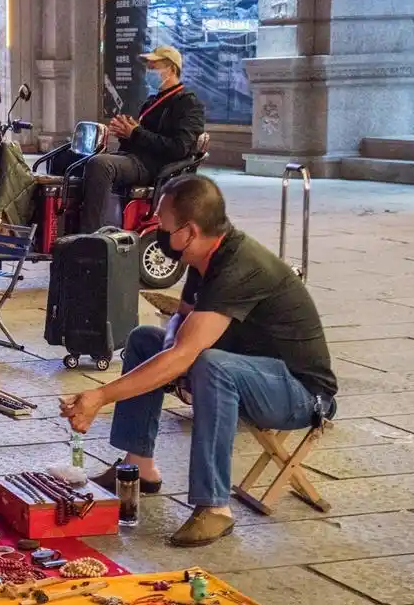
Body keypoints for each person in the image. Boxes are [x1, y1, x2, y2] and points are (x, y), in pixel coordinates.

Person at [61, 174, 337, 548]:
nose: (157, 231)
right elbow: (182, 319)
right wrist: (175, 349)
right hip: (247, 366)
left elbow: (187, 355)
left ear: (189, 231)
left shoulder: (241, 265)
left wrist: (99, 396)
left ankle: (215, 507)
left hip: (300, 393)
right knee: (146, 340)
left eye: (163, 225)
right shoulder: (204, 256)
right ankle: (139, 465)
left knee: (211, 364)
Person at [80, 45, 205, 233]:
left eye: (154, 66)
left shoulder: (187, 103)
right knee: (74, 157)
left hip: (158, 166)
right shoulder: (152, 101)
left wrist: (136, 133)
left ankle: (89, 235)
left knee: (101, 164)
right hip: (137, 159)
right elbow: (141, 138)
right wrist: (125, 133)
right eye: (148, 67)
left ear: (171, 69)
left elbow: (179, 147)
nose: (149, 71)